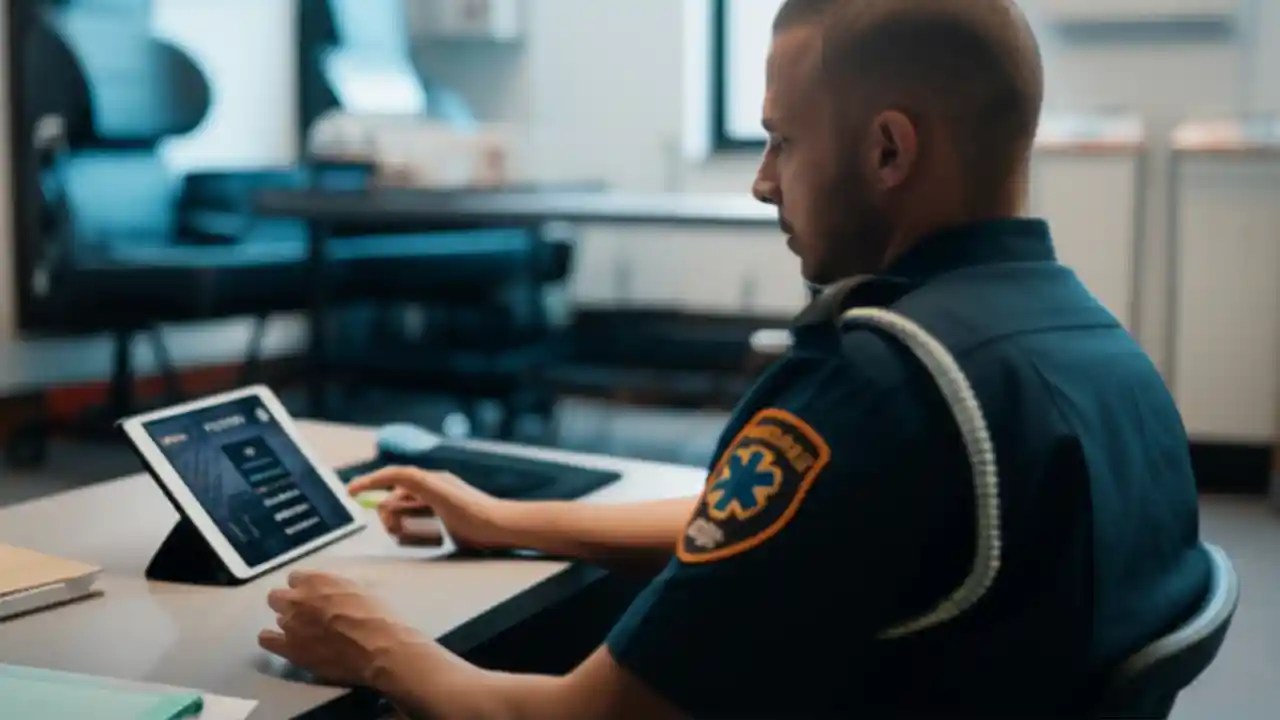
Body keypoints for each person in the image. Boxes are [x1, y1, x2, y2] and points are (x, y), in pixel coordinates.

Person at [259, 1, 1211, 717]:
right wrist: (515, 519)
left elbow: (580, 719)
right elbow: (798, 532)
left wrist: (376, 645)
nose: (762, 181)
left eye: (781, 140)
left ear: (888, 149)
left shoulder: (879, 381)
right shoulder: (1097, 349)